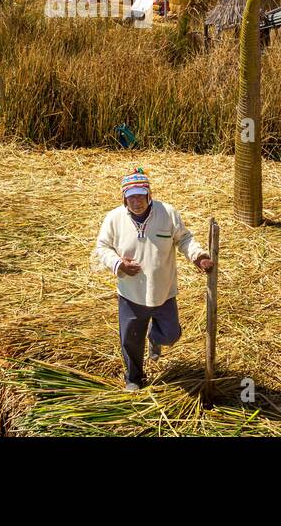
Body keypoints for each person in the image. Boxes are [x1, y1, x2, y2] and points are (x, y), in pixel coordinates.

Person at [93, 168, 214, 392]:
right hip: (131, 294)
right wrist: (119, 264)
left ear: (149, 194)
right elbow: (102, 247)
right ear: (124, 198)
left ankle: (156, 339)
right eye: (131, 197)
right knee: (131, 341)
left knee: (171, 334)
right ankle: (134, 378)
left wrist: (198, 256)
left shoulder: (167, 213)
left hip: (163, 291)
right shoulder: (114, 218)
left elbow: (184, 239)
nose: (137, 202)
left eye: (141, 195)